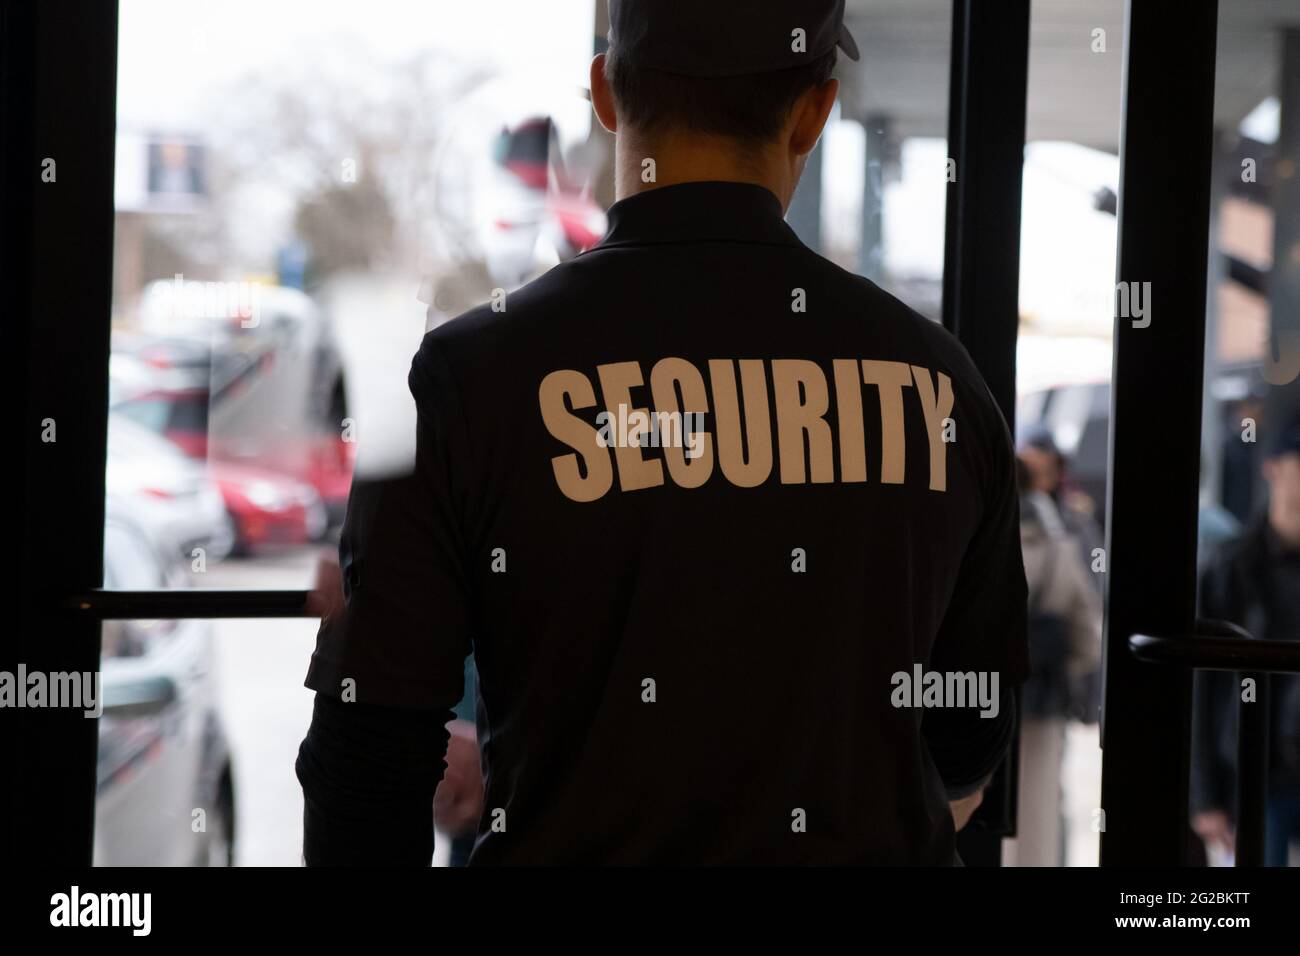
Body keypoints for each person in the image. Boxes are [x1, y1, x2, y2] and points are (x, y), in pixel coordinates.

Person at [295, 0, 1029, 865]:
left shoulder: (461, 379)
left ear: (606, 93)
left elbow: (367, 759)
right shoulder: (941, 383)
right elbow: (970, 730)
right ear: (814, 113)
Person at [1192, 416, 1300, 867]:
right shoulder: (1231, 567)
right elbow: (1202, 682)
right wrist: (1203, 795)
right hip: (1257, 773)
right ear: (1273, 468)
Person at [1003, 459, 1101, 867]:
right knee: (1038, 811)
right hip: (1042, 706)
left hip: (977, 699)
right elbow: (1088, 638)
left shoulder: (981, 544)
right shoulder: (1061, 551)